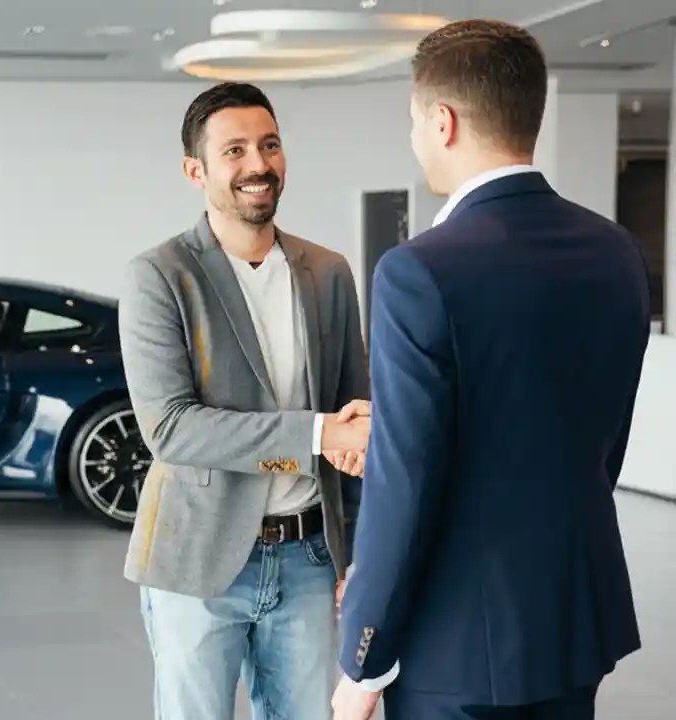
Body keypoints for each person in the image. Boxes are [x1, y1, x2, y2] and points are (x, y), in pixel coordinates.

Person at [331, 18, 650, 720]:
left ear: (441, 121)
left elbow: (405, 481)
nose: (414, 137)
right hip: (574, 618)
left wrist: (363, 661)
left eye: (413, 120)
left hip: (459, 644)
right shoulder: (614, 251)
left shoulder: (420, 271)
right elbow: (605, 447)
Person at [118, 81, 373, 720]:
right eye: (234, 151)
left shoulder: (328, 272)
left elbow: (357, 416)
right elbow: (172, 430)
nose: (258, 165)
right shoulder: (159, 276)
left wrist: (365, 551)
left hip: (311, 557)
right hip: (197, 559)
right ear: (195, 170)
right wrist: (317, 435)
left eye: (270, 145)